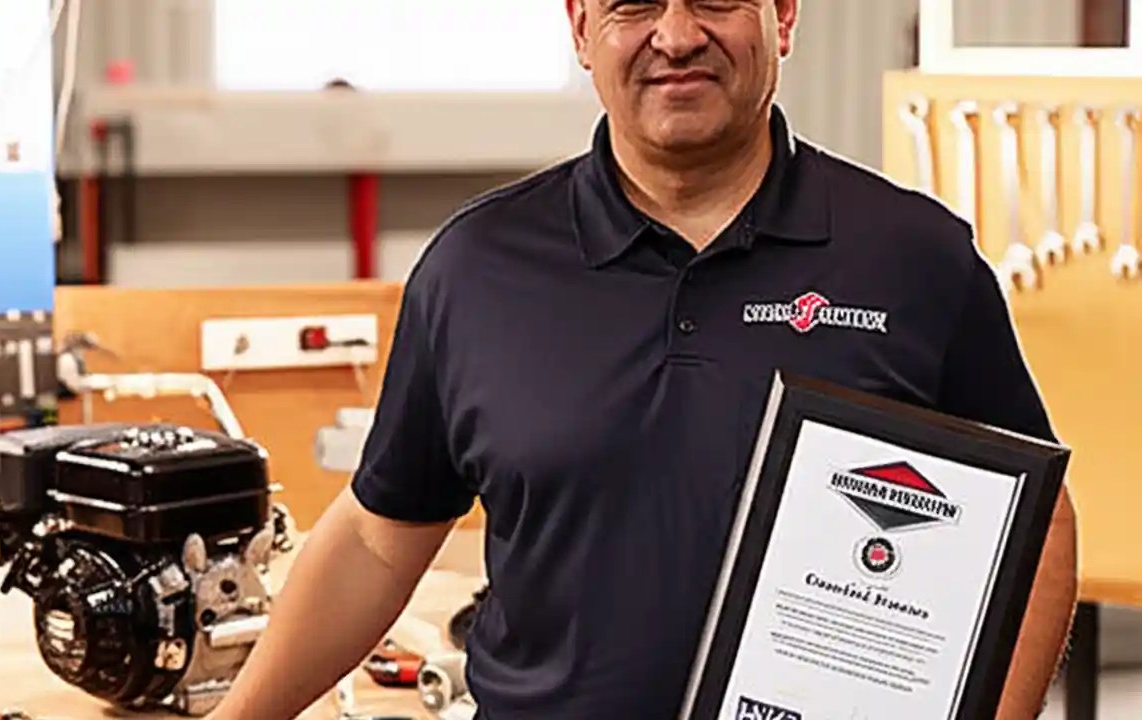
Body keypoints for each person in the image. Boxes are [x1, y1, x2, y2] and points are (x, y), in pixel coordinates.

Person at [207, 1, 1078, 718]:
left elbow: (1036, 526)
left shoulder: (912, 258)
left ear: (782, 16)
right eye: (633, 6)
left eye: (715, 1)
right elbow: (374, 538)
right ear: (581, 27)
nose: (676, 34)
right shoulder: (476, 270)